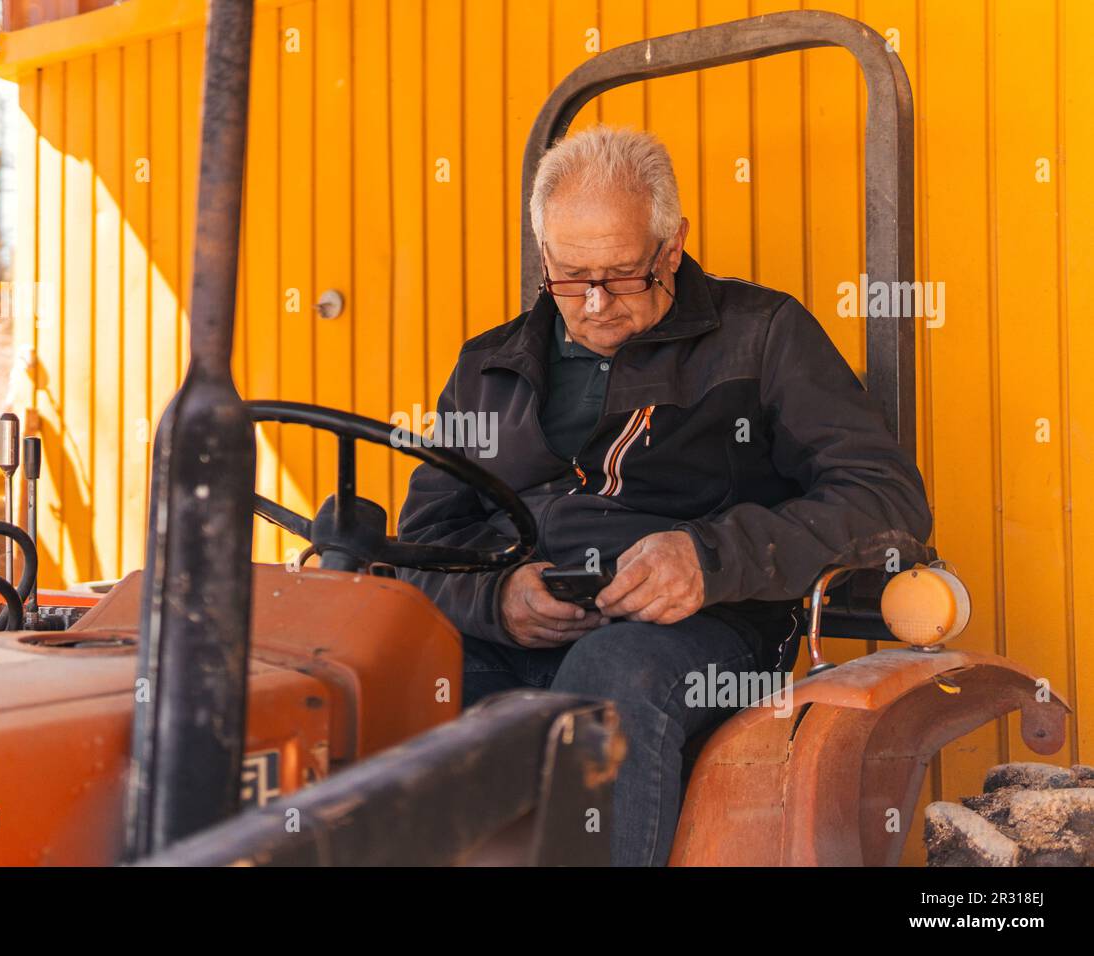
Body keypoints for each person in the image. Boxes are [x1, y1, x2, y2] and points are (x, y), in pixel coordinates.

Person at [394, 124, 933, 866]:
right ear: (544, 254)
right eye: (569, 274)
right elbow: (420, 545)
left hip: (706, 633)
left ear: (671, 246)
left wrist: (709, 557)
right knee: (376, 676)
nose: (593, 304)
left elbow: (886, 501)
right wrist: (496, 599)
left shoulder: (762, 336)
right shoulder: (487, 366)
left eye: (621, 274)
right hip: (512, 638)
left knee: (615, 677)